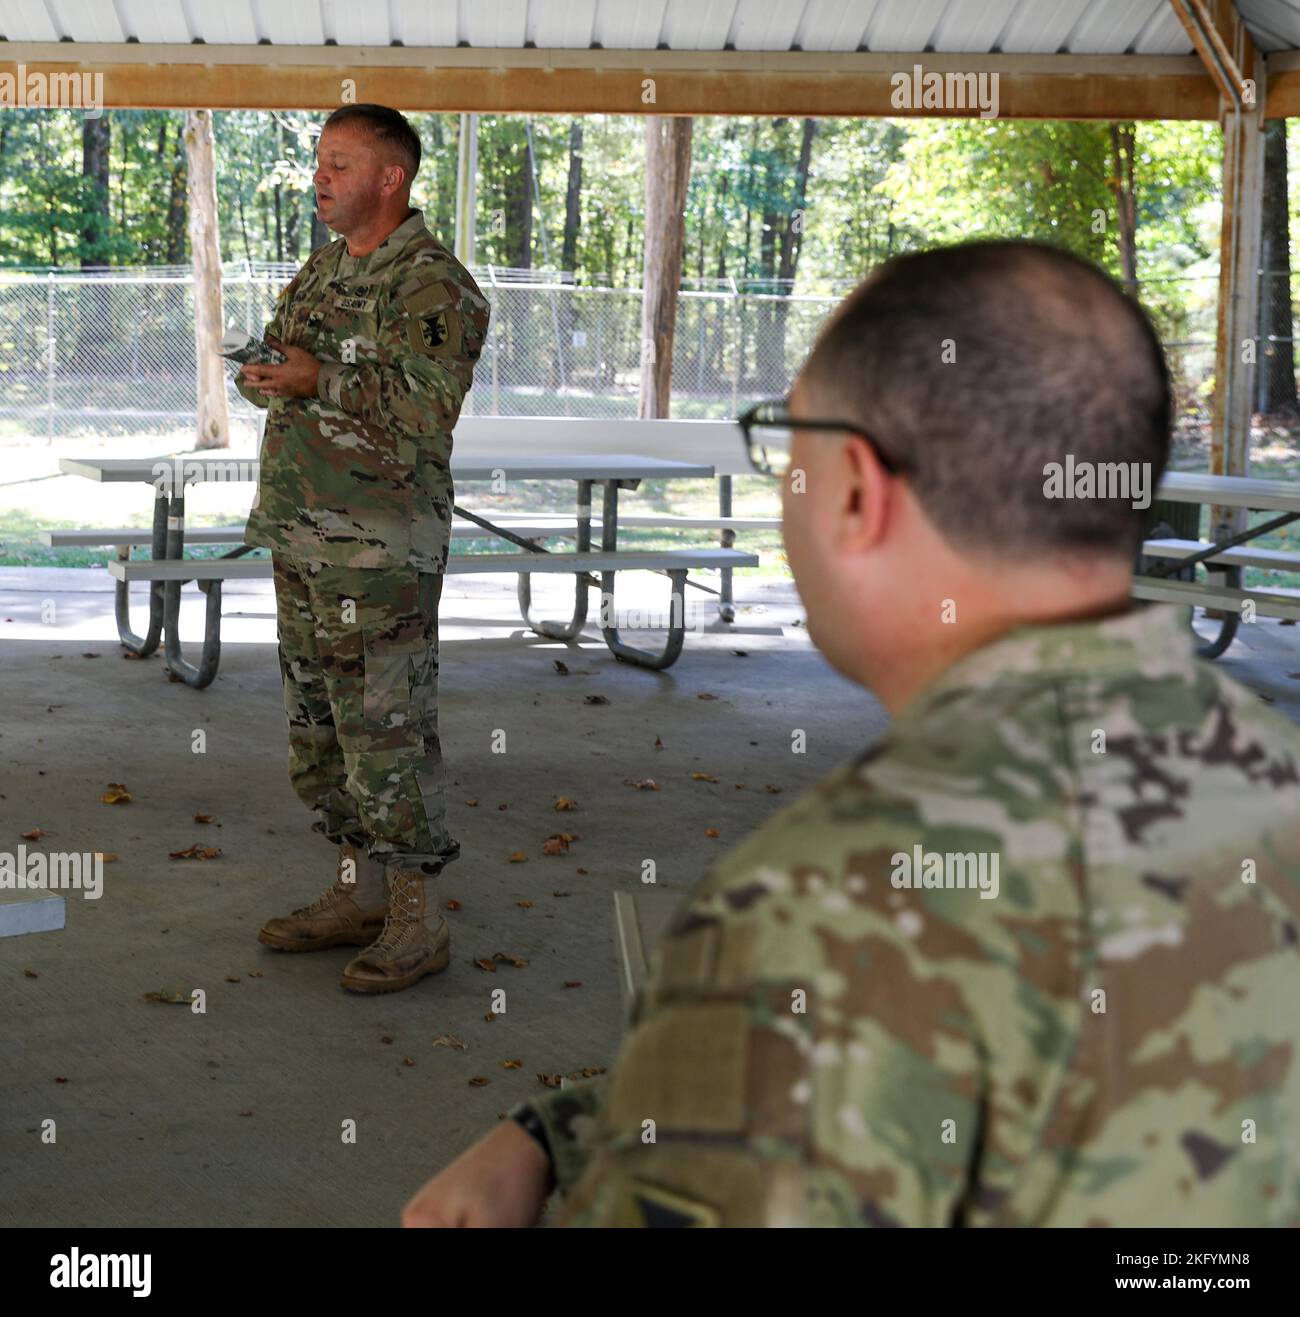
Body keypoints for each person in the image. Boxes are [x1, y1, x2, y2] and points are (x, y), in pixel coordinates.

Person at [402, 240, 1300, 1226]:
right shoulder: (1263, 773)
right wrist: (566, 1134)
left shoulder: (822, 910)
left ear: (858, 491)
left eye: (790, 442)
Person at [236, 104, 490, 994]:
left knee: (384, 731)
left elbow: (425, 407)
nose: (321, 178)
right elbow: (298, 372)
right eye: (319, 162)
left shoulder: (432, 285)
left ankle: (417, 919)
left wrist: (316, 378)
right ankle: (357, 894)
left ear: (392, 178)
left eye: (341, 164)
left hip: (380, 552)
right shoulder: (320, 271)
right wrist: (271, 372)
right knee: (318, 731)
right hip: (302, 534)